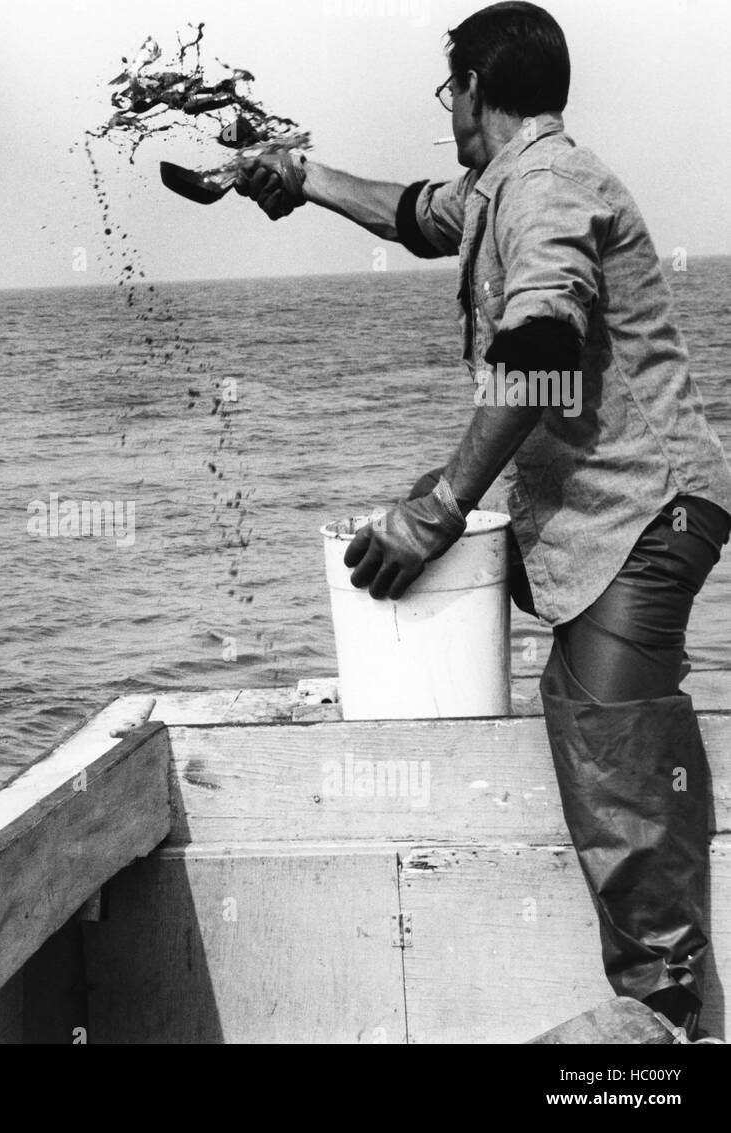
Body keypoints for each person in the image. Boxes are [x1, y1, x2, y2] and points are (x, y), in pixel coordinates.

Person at [235, 1, 731, 1038]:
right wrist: (300, 173)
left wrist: (441, 505)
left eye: (447, 89)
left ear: (472, 90)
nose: (445, 108)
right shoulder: (513, 182)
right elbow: (417, 215)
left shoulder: (544, 187)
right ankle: (668, 1011)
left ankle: (671, 1027)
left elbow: (543, 341)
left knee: (612, 739)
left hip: (641, 508)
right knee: (585, 710)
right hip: (603, 510)